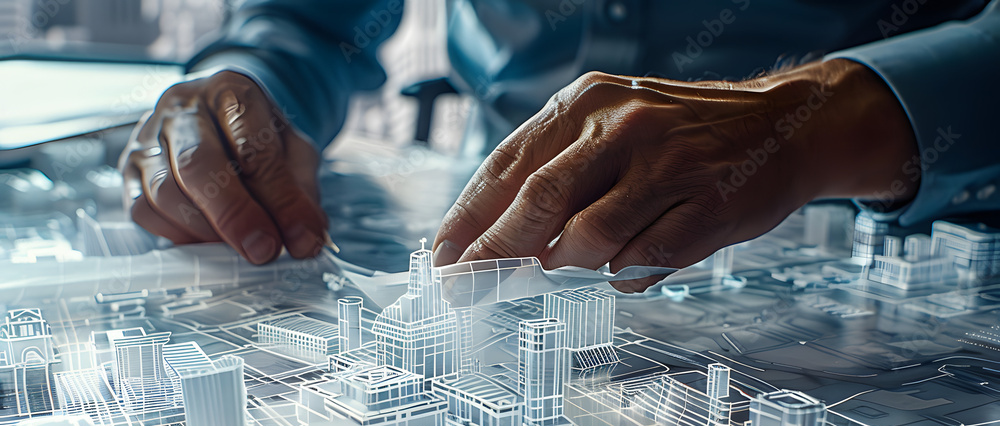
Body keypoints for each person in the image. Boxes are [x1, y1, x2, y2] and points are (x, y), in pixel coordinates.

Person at [121, 0, 1000, 293]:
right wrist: (251, 82)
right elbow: (310, 19)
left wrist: (824, 119)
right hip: (495, 229)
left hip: (885, 245)